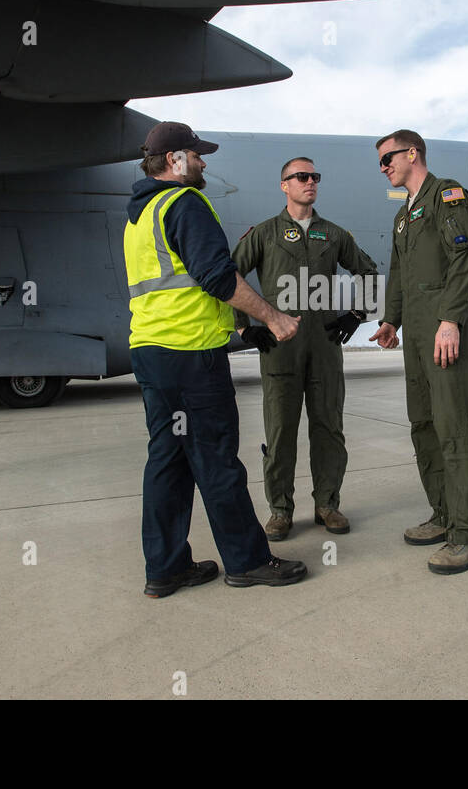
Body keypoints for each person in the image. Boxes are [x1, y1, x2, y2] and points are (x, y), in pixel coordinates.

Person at [123, 121, 308, 597]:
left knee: (167, 460)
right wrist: (273, 318)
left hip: (151, 351)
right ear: (174, 160)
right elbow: (217, 277)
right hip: (190, 355)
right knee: (217, 461)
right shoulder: (184, 203)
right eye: (196, 154)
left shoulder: (138, 216)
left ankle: (166, 569)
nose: (204, 162)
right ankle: (247, 562)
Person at [232, 157, 380, 541]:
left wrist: (356, 314)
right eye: (301, 177)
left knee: (329, 429)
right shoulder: (264, 234)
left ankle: (327, 505)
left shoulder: (334, 234)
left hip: (325, 346)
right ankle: (280, 510)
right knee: (280, 431)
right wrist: (244, 329)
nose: (310, 182)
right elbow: (230, 275)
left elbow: (368, 271)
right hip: (280, 349)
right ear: (284, 185)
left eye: (315, 176)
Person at [367, 130, 468, 574]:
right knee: (424, 424)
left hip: (443, 330)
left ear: (412, 153)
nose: (383, 167)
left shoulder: (447, 195)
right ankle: (443, 514)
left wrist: (451, 319)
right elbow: (397, 275)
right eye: (380, 163)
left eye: (388, 159)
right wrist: (389, 321)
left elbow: (465, 258)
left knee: (455, 425)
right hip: (416, 336)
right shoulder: (404, 214)